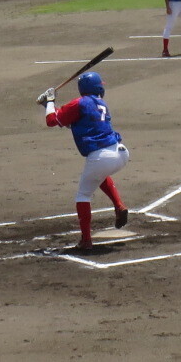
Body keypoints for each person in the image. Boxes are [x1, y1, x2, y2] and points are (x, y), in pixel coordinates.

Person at [36, 72, 130, 252]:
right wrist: (49, 105)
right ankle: (119, 206)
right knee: (98, 176)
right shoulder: (100, 104)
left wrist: (49, 102)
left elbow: (51, 121)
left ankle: (86, 241)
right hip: (120, 153)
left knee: (83, 196)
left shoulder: (78, 103)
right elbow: (73, 122)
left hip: (101, 157)